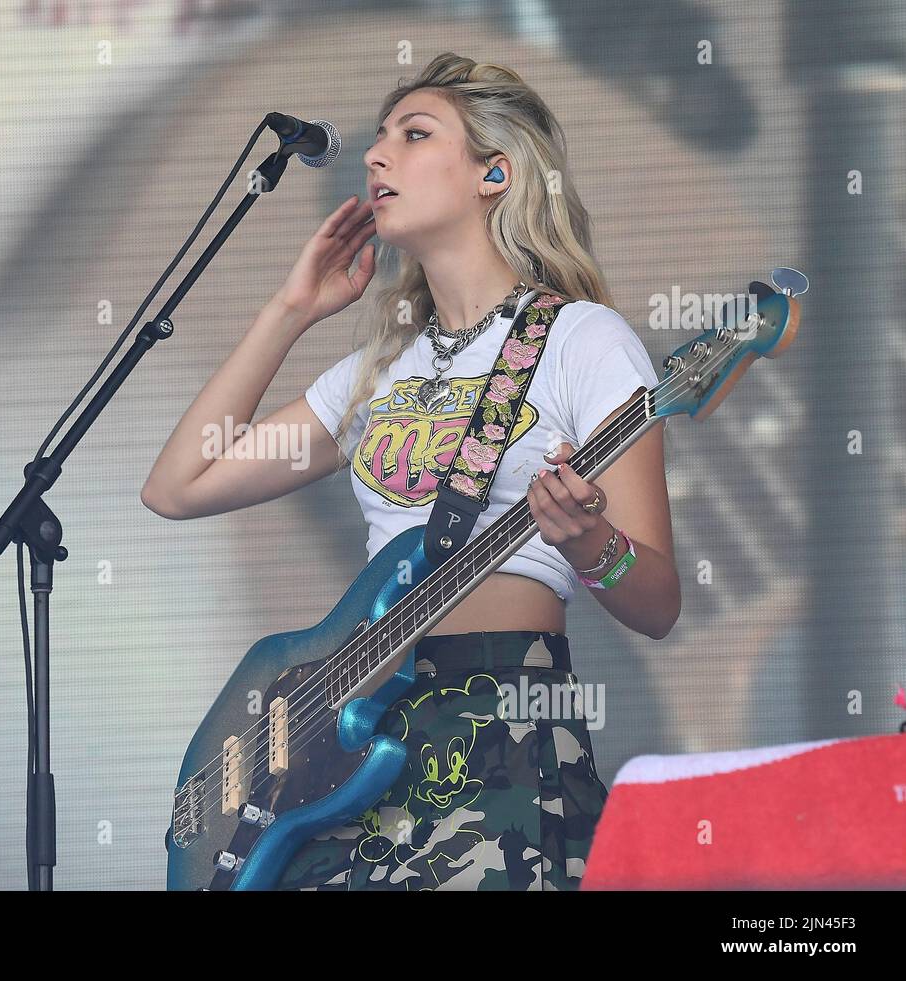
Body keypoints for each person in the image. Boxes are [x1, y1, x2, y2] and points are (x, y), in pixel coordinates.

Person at [141, 53, 680, 890]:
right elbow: (179, 485)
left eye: (415, 134)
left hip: (502, 729)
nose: (376, 154)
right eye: (381, 136)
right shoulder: (380, 371)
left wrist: (590, 543)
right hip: (351, 740)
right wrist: (290, 311)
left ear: (494, 173)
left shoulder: (583, 340)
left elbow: (657, 603)